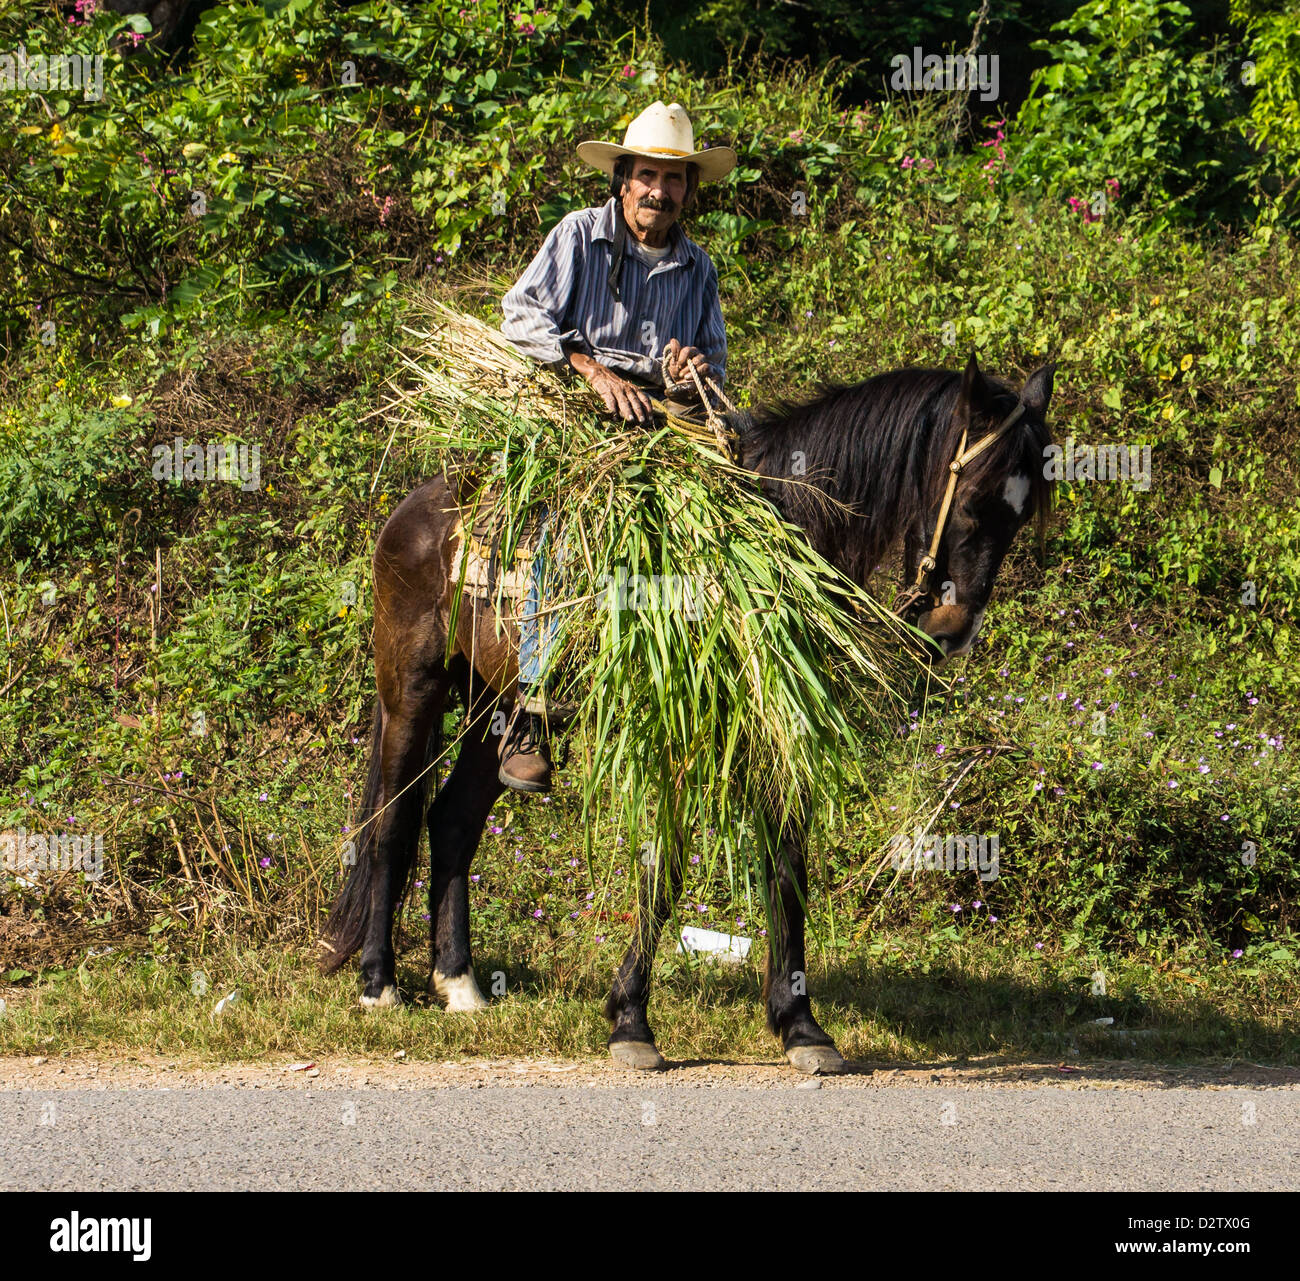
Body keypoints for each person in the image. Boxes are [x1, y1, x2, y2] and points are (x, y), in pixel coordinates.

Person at [495, 101, 736, 792]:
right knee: (565, 527)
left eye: (674, 179)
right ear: (622, 179)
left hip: (658, 426)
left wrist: (692, 373)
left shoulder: (698, 269)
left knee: (726, 534)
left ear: (688, 190)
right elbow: (521, 314)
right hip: (573, 410)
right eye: (647, 176)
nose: (659, 191)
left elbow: (714, 363)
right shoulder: (579, 237)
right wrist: (588, 369)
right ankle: (531, 711)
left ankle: (693, 712)